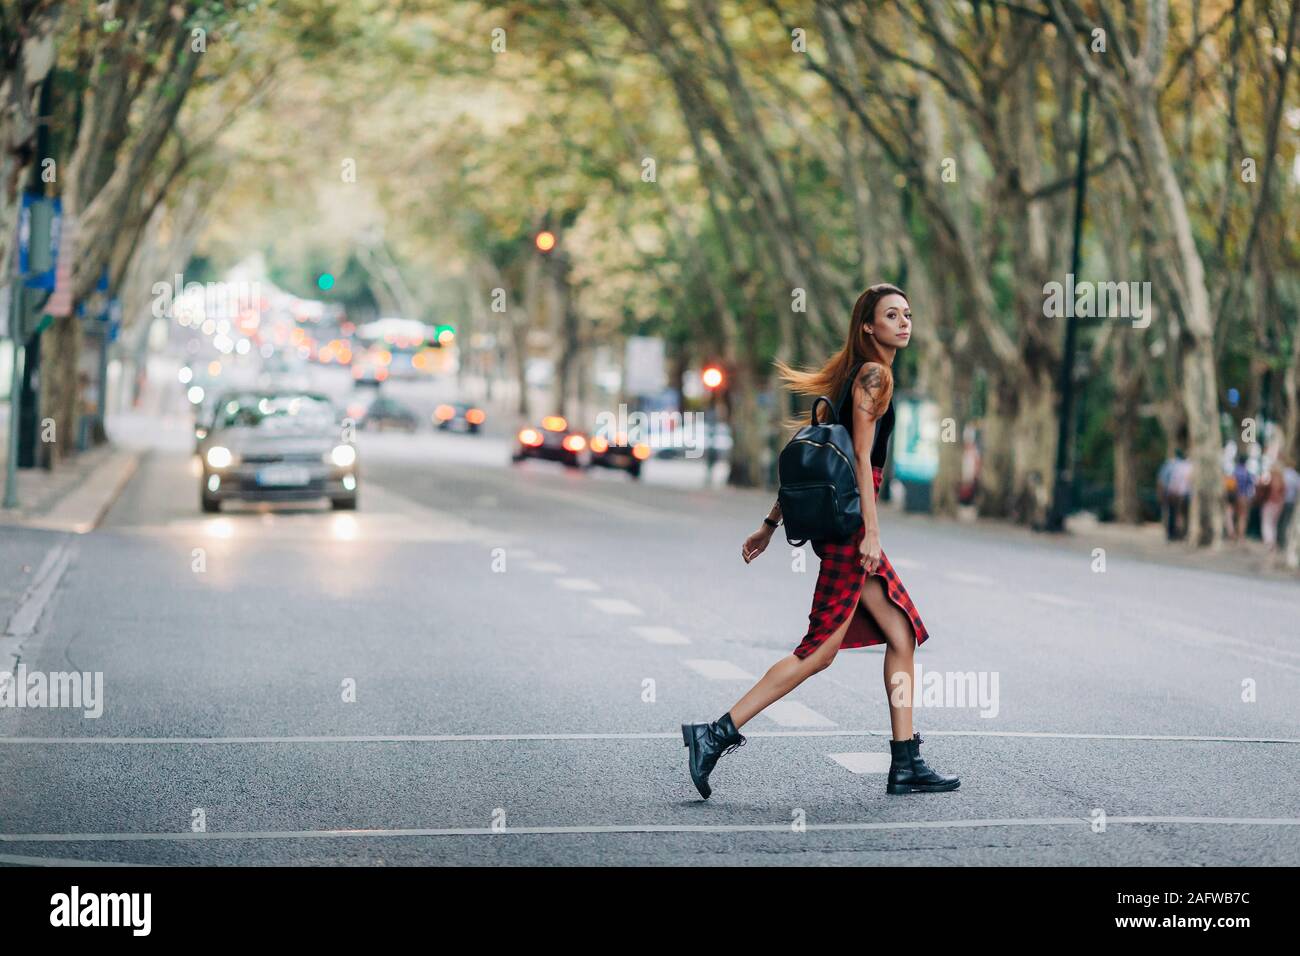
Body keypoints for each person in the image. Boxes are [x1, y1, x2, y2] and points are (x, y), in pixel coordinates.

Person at [680, 283, 959, 799]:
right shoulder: (874, 376)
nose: (904, 323)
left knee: (901, 634)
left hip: (846, 523)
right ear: (868, 327)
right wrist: (871, 534)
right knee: (818, 652)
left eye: (908, 314)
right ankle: (714, 735)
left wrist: (770, 523)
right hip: (854, 528)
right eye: (891, 315)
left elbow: (816, 461)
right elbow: (855, 459)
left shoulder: (855, 376)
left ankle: (905, 761)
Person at [1230, 454, 1255, 542]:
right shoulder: (1247, 473)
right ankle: (1241, 536)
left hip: (1233, 497)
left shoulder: (1234, 471)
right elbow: (1251, 487)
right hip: (1243, 497)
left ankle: (1232, 533)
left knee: (1232, 515)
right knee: (1242, 517)